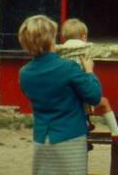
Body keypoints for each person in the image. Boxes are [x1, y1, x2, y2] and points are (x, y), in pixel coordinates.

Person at [18, 15, 101, 175]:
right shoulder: (68, 67)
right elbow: (94, 96)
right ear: (50, 39)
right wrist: (90, 72)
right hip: (70, 138)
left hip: (42, 138)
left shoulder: (24, 73)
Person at [56, 18, 118, 138]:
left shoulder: (58, 50)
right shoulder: (87, 48)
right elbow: (108, 50)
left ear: (64, 37)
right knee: (104, 103)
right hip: (81, 94)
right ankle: (116, 133)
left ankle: (82, 124)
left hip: (64, 95)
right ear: (83, 37)